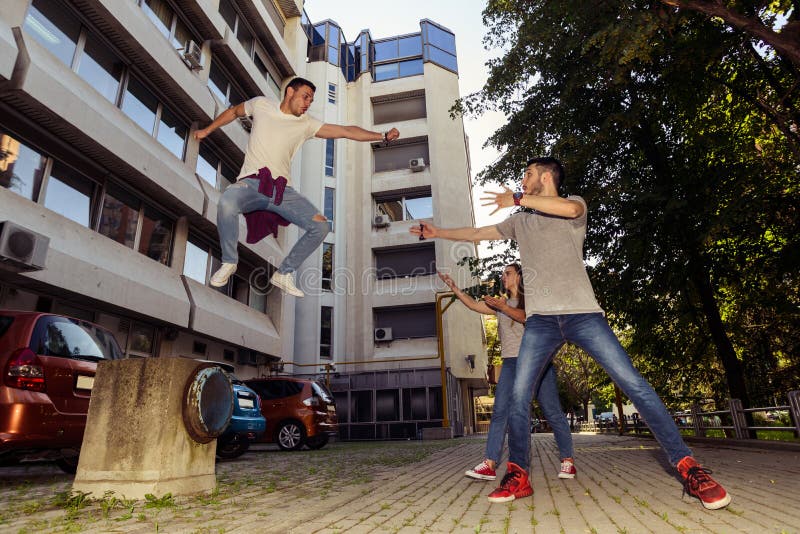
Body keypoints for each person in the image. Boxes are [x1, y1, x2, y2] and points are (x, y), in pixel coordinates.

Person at [411, 157, 731, 509]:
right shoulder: (520, 222)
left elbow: (563, 206)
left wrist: (518, 198)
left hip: (584, 315)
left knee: (633, 383)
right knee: (518, 396)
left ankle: (688, 466)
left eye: (528, 174)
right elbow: (476, 233)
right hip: (541, 320)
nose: (523, 180)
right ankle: (518, 475)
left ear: (546, 177)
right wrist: (438, 232)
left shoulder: (574, 207)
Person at [195, 77, 400, 297]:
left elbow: (345, 131)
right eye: (305, 97)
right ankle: (229, 262)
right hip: (252, 183)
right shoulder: (261, 104)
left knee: (321, 227)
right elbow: (234, 112)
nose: (308, 103)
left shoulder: (306, 124)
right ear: (290, 92)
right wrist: (207, 130)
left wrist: (382, 136)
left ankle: (284, 273)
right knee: (227, 202)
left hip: (283, 192)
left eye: (311, 100)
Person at [438, 266, 577, 483]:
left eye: (508, 273)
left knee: (552, 412)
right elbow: (473, 305)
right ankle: (490, 463)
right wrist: (455, 288)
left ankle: (567, 460)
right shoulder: (499, 305)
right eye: (502, 274)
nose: (503, 277)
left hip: (537, 361)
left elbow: (525, 318)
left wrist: (503, 307)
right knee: (500, 412)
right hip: (511, 363)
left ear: (519, 277)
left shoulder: (532, 301)